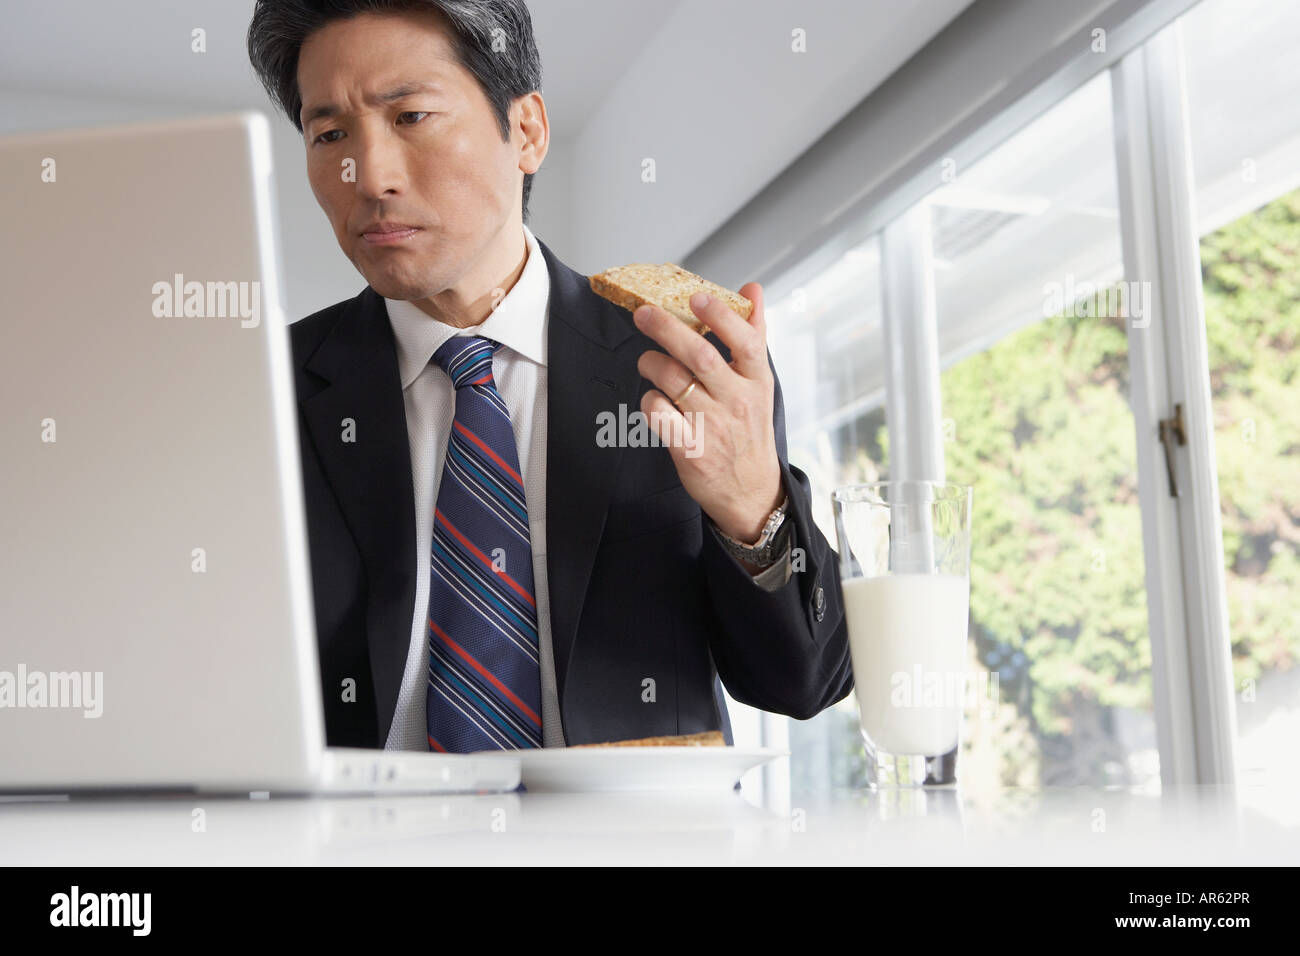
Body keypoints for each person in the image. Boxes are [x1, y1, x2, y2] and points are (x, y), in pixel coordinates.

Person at [246, 0, 851, 751]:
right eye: (329, 133)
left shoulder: (683, 366)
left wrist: (752, 509)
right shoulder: (260, 394)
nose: (368, 175)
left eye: (411, 117)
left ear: (526, 130)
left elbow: (804, 683)